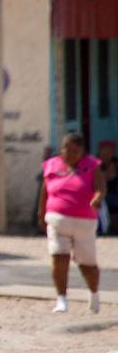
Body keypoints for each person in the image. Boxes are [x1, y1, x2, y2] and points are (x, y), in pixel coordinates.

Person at [38, 132, 103, 314]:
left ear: (82, 151)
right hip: (58, 220)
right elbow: (44, 192)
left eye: (76, 150)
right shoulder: (52, 165)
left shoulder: (92, 165)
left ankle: (94, 293)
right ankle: (61, 299)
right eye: (68, 149)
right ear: (61, 150)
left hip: (84, 223)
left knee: (86, 263)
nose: (72, 153)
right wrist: (41, 214)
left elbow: (100, 187)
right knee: (59, 257)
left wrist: (97, 198)